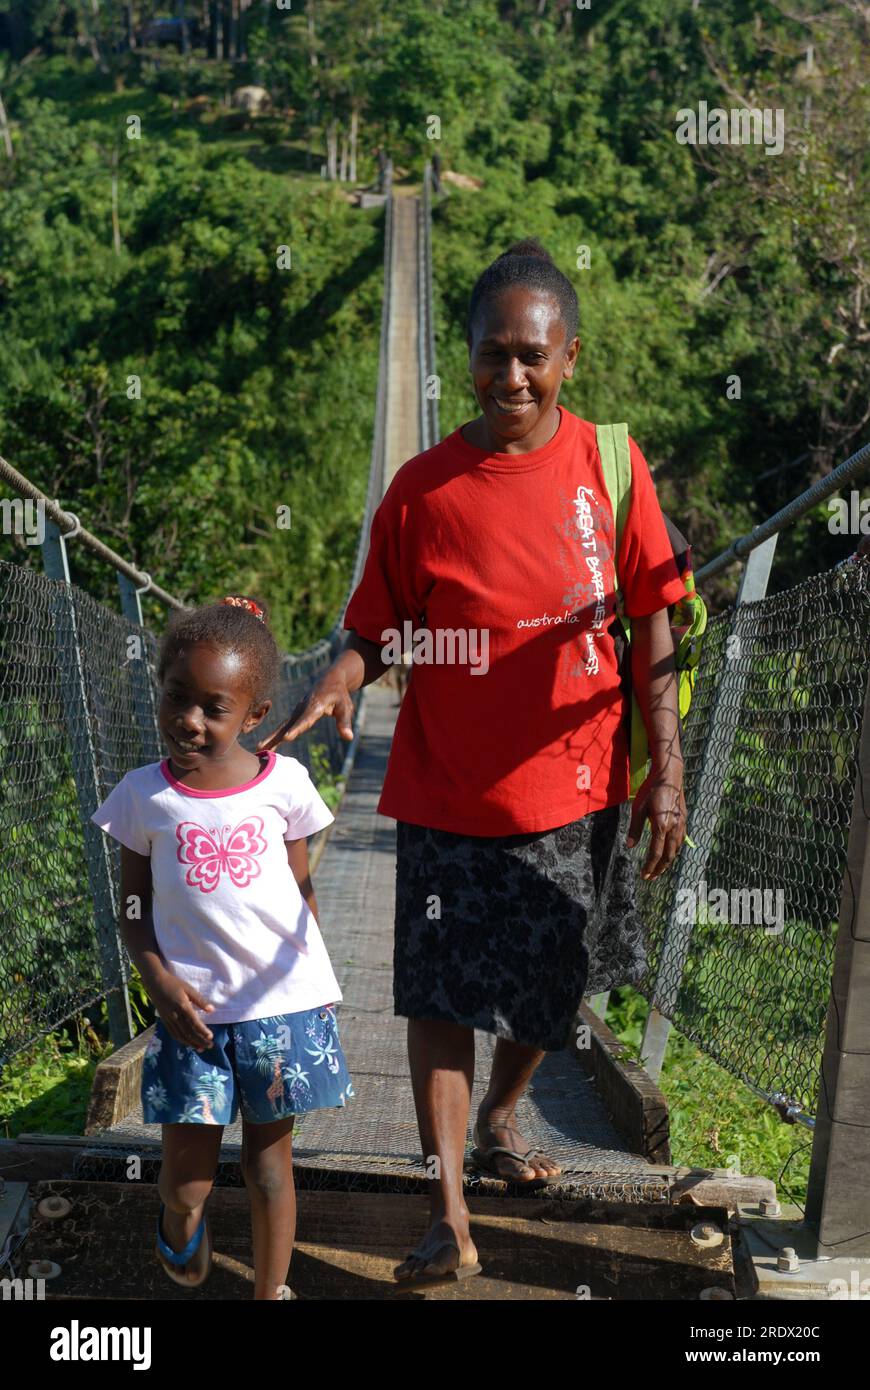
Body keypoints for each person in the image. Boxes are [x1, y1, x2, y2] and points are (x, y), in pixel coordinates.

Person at [259, 239, 688, 1290]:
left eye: (532, 356)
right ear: (464, 358)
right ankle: (448, 1209)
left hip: (578, 787)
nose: (512, 378)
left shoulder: (610, 467)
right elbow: (374, 627)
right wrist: (341, 678)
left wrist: (666, 767)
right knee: (439, 1003)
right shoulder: (419, 490)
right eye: (493, 355)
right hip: (447, 791)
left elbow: (656, 619)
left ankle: (503, 1113)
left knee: (554, 996)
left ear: (570, 357)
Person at [91, 594, 353, 1299]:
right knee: (186, 1180)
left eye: (213, 708)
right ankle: (178, 1225)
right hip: (191, 1015)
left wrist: (319, 991)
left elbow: (302, 896)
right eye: (177, 698)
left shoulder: (286, 784)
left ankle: (270, 1291)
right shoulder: (141, 796)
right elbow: (134, 913)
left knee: (271, 1166)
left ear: (255, 715)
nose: (189, 721)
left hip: (280, 1009)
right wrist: (159, 985)